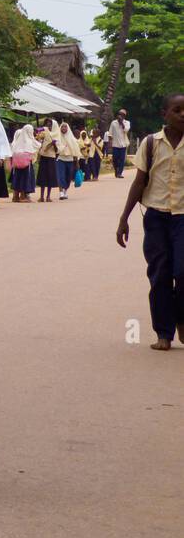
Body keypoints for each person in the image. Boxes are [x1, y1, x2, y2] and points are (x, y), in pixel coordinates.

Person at [116, 93, 184, 351]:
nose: (182, 115)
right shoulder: (150, 144)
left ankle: (180, 317)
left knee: (183, 272)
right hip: (156, 218)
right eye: (176, 110)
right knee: (160, 275)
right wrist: (124, 219)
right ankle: (164, 333)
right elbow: (139, 182)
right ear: (164, 114)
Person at [9, 123, 39, 202]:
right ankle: (23, 197)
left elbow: (13, 150)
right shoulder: (29, 140)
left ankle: (15, 196)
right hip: (26, 164)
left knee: (17, 178)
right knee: (25, 178)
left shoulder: (18, 140)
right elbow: (37, 147)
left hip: (17, 164)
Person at [36, 119, 59, 202]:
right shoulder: (44, 133)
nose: (48, 126)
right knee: (42, 176)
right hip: (44, 156)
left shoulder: (56, 136)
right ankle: (41, 196)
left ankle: (48, 196)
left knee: (50, 177)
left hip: (51, 158)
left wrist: (54, 145)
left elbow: (57, 151)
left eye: (50, 125)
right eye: (47, 124)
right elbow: (38, 137)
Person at [56, 121, 79, 199]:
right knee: (60, 176)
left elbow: (75, 150)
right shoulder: (57, 137)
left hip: (70, 159)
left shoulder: (73, 139)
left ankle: (65, 190)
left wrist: (77, 162)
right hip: (60, 159)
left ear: (68, 128)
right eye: (62, 127)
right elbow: (57, 148)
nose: (64, 128)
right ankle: (61, 192)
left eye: (65, 127)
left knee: (68, 177)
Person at [109, 110, 131, 177]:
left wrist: (122, 123)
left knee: (122, 159)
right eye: (119, 114)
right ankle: (116, 169)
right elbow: (110, 133)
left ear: (124, 116)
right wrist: (110, 142)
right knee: (115, 159)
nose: (120, 116)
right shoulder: (113, 123)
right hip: (115, 144)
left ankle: (120, 173)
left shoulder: (127, 122)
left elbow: (126, 130)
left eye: (121, 115)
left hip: (123, 144)